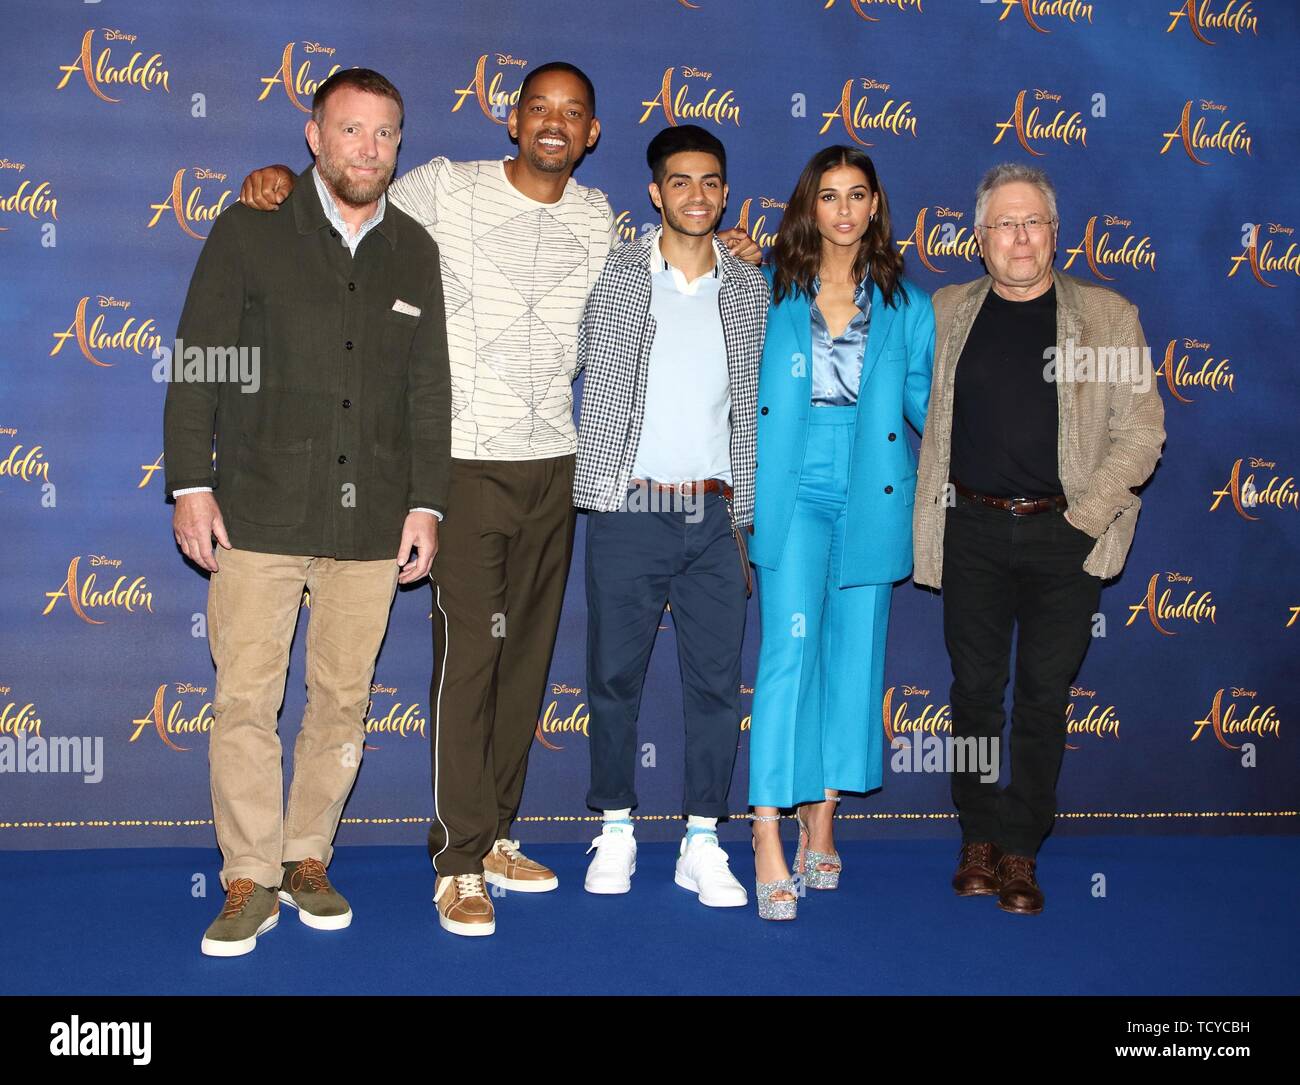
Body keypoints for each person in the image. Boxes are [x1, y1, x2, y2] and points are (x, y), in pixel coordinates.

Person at [237, 63, 761, 937]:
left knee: (524, 665)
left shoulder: (598, 219)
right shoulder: (447, 186)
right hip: (463, 465)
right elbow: (352, 193)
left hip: (558, 467)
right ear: (512, 119)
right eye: (539, 108)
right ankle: (456, 860)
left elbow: (678, 249)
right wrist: (283, 182)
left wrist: (736, 248)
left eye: (573, 113)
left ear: (592, 134)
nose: (554, 123)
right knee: (469, 663)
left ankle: (497, 835)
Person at [165, 68, 451, 956]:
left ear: (399, 143)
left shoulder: (414, 248)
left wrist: (427, 503)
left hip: (372, 524)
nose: (369, 148)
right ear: (314, 136)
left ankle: (306, 857)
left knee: (342, 701)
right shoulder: (252, 227)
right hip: (258, 512)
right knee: (246, 699)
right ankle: (249, 874)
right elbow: (200, 360)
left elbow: (428, 388)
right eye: (351, 129)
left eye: (385, 132)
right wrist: (191, 482)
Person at [913, 162, 1165, 915]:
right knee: (973, 694)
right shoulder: (946, 311)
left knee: (1044, 698)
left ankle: (1021, 846)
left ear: (1056, 233)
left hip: (1067, 534)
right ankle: (978, 838)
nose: (1019, 238)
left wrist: (1083, 518)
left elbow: (1142, 432)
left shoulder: (1107, 317)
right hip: (971, 529)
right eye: (1004, 224)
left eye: (1033, 223)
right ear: (979, 237)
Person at [575, 125, 768, 909]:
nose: (697, 194)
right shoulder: (612, 272)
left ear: (726, 194)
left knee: (717, 685)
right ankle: (616, 826)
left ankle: (702, 839)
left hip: (718, 515)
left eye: (711, 181)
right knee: (613, 676)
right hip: (630, 506)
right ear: (655, 192)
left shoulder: (751, 286)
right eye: (680, 181)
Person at [747, 146, 934, 919]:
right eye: (829, 195)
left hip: (874, 485)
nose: (845, 209)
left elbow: (932, 407)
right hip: (791, 483)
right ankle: (765, 827)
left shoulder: (907, 303)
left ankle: (821, 814)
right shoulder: (765, 287)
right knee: (788, 653)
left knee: (855, 662)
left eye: (858, 194)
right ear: (809, 206)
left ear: (876, 204)